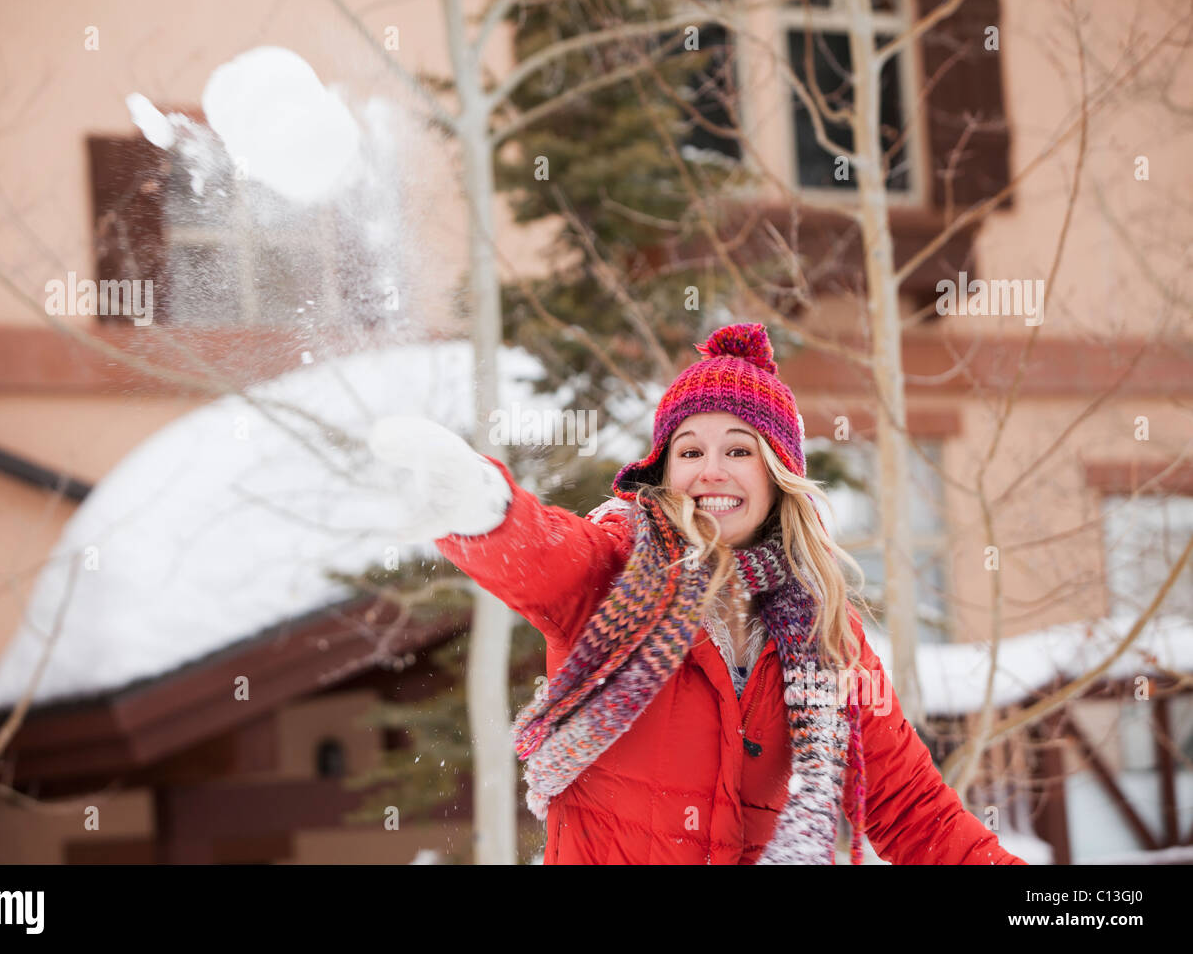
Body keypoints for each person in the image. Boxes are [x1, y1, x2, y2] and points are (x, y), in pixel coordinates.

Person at [368, 322, 1027, 865]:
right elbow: (544, 554)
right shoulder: (618, 571)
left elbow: (913, 810)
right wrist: (483, 508)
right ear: (664, 470)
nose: (711, 471)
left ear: (778, 474)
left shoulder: (827, 634)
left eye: (739, 451)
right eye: (689, 452)